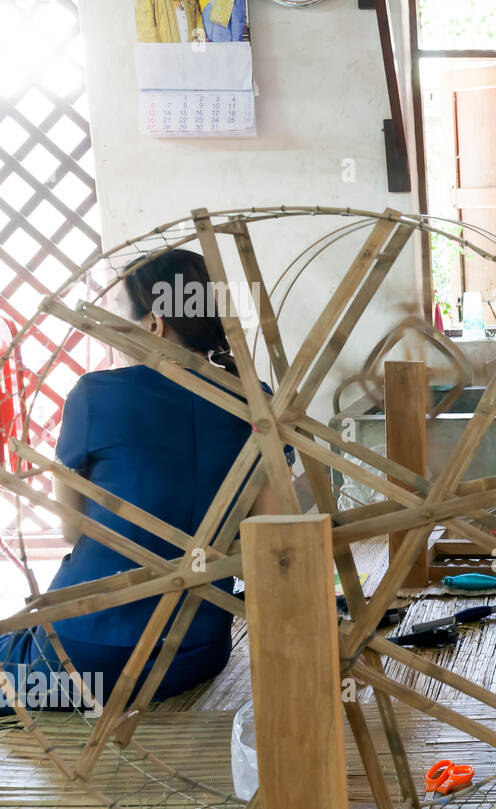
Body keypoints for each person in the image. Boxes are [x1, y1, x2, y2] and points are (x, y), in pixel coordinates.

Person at [0, 249, 286, 715]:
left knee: (12, 646)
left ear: (154, 324)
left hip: (85, 655)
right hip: (196, 650)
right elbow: (271, 528)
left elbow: (72, 531)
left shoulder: (95, 395)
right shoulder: (256, 403)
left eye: (118, 316)